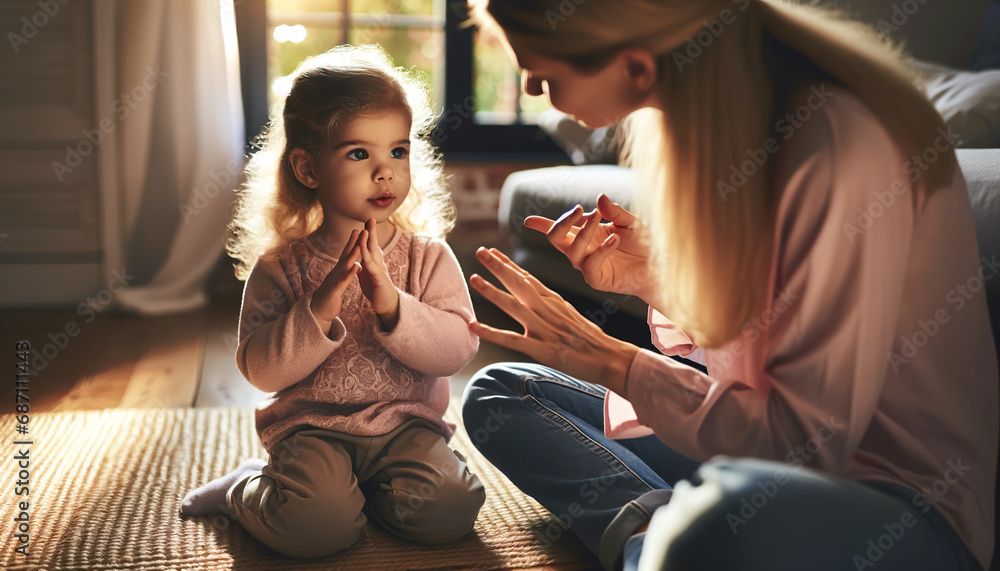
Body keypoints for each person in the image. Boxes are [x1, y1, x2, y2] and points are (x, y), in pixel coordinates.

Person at [460, 1, 998, 570]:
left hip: (900, 507)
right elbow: (772, 345)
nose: (534, 90)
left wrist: (610, 360)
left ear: (637, 67)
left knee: (716, 523)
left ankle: (660, 536)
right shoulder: (732, 129)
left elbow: (803, 445)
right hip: (772, 469)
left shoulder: (836, 142)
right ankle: (652, 537)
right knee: (502, 391)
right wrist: (658, 280)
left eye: (543, 73)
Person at [179, 45, 485, 559]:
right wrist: (318, 309)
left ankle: (362, 498)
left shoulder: (428, 257)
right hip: (311, 431)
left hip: (405, 426)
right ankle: (243, 490)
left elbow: (457, 349)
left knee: (450, 509)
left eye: (398, 151)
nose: (384, 172)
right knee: (314, 530)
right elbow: (261, 371)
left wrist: (393, 306)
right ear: (307, 168)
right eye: (359, 153)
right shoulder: (281, 266)